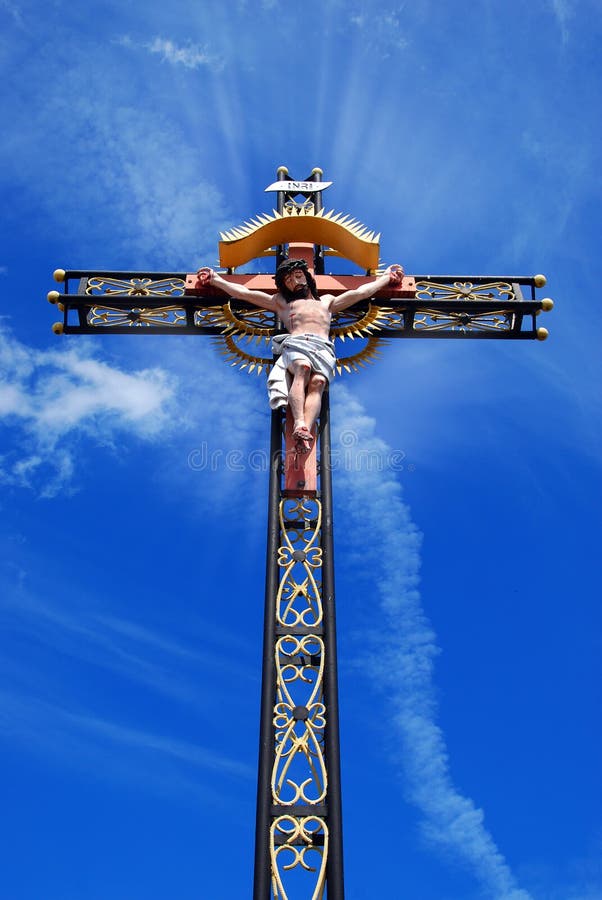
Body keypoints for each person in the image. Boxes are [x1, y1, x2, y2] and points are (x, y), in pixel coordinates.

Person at [197, 260, 404, 452]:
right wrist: (216, 279)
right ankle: (298, 423)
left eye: (297, 275)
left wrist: (386, 278)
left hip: (323, 347)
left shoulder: (327, 302)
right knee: (302, 368)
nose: (294, 281)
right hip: (298, 343)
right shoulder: (282, 303)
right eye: (288, 280)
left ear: (306, 276)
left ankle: (305, 430)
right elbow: (245, 293)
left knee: (319, 382)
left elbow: (361, 292)